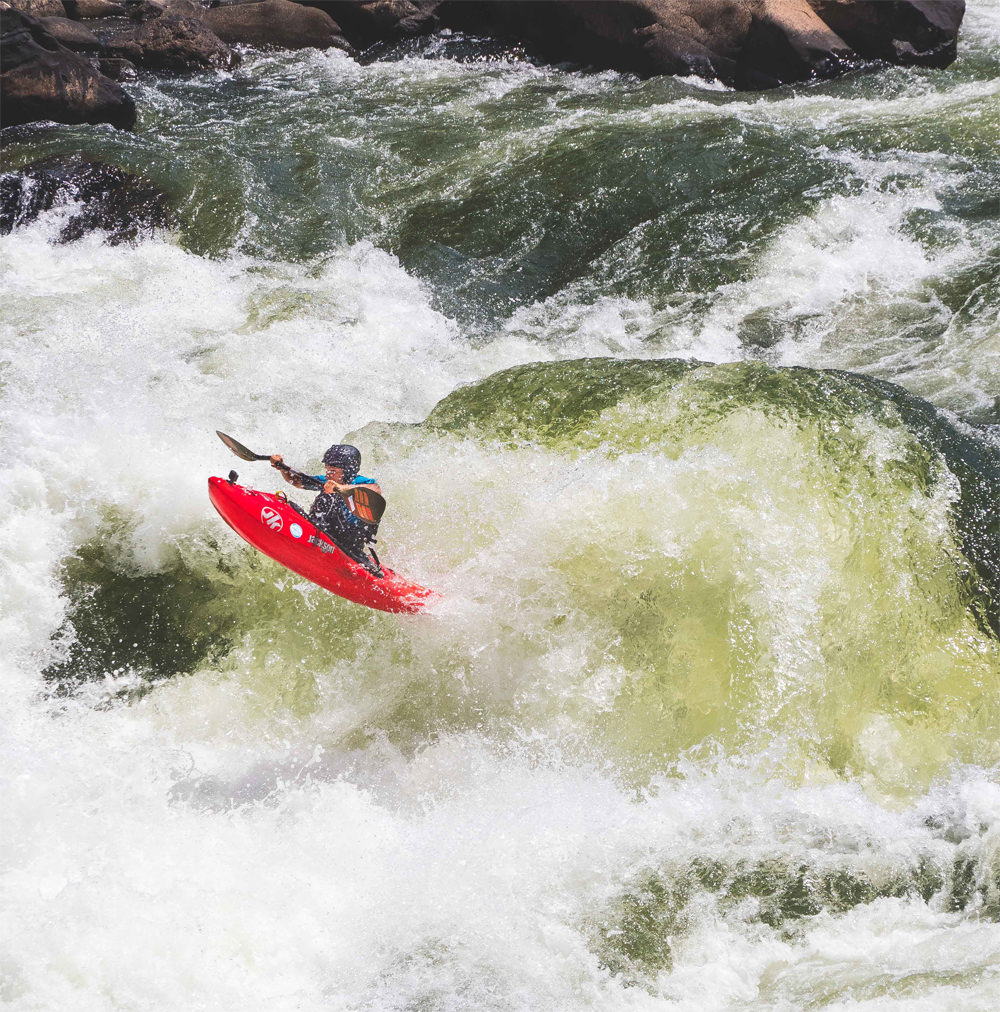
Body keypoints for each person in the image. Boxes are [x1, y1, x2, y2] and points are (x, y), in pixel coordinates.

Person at [270, 444, 382, 575]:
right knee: (292, 506)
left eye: (333, 470)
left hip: (350, 544)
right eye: (327, 469)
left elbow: (375, 490)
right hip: (326, 533)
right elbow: (296, 480)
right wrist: (282, 468)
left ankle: (317, 536)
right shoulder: (327, 481)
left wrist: (341, 488)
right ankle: (311, 531)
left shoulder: (360, 482)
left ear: (348, 471)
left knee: (329, 497)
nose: (328, 474)